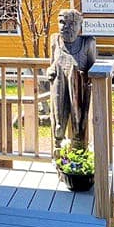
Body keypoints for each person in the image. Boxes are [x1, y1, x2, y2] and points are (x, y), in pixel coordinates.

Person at [47, 9, 96, 150]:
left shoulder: (87, 43)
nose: (66, 27)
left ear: (80, 26)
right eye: (62, 22)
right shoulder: (55, 40)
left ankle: (78, 150)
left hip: (79, 89)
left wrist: (85, 77)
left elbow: (92, 67)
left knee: (79, 123)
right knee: (58, 123)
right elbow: (52, 64)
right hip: (59, 87)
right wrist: (50, 70)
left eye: (72, 23)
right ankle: (58, 149)